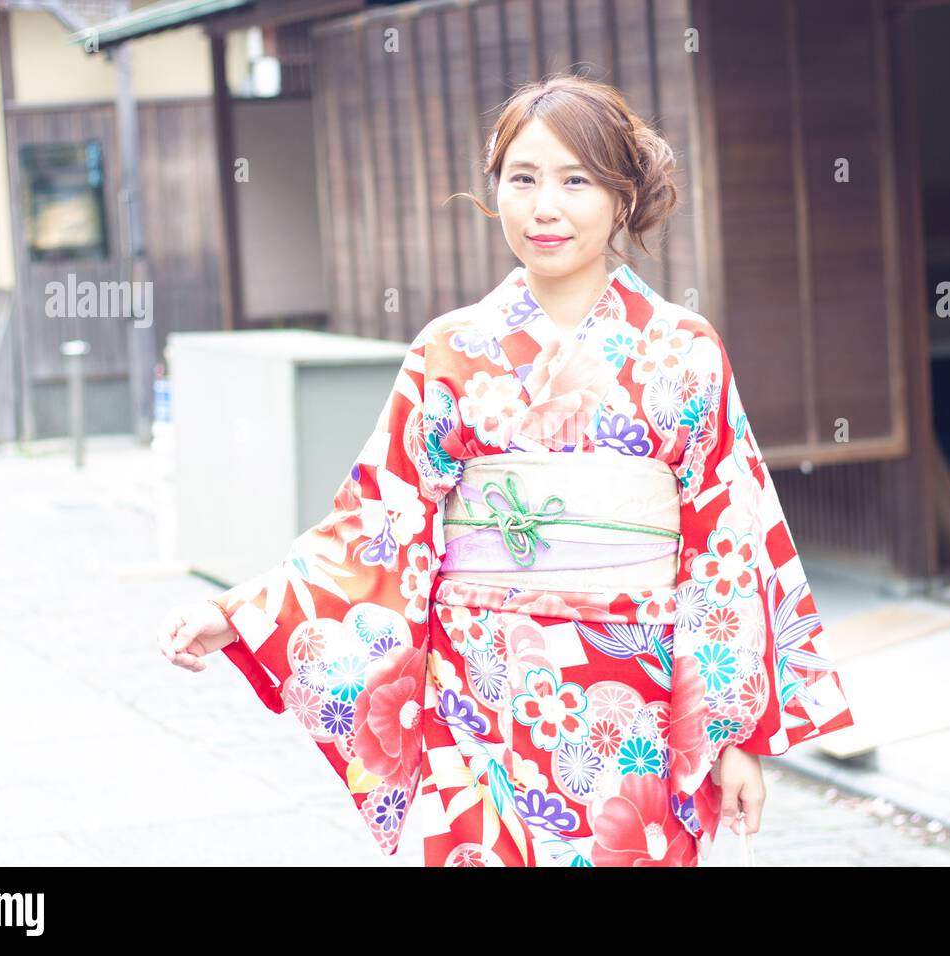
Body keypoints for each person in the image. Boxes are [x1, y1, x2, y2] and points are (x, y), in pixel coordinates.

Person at [158, 73, 854, 867]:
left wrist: (732, 738)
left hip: (633, 704)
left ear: (623, 198)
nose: (543, 206)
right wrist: (248, 613)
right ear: (496, 189)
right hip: (476, 687)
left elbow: (726, 550)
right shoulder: (449, 349)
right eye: (522, 179)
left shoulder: (684, 350)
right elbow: (379, 521)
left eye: (576, 181)